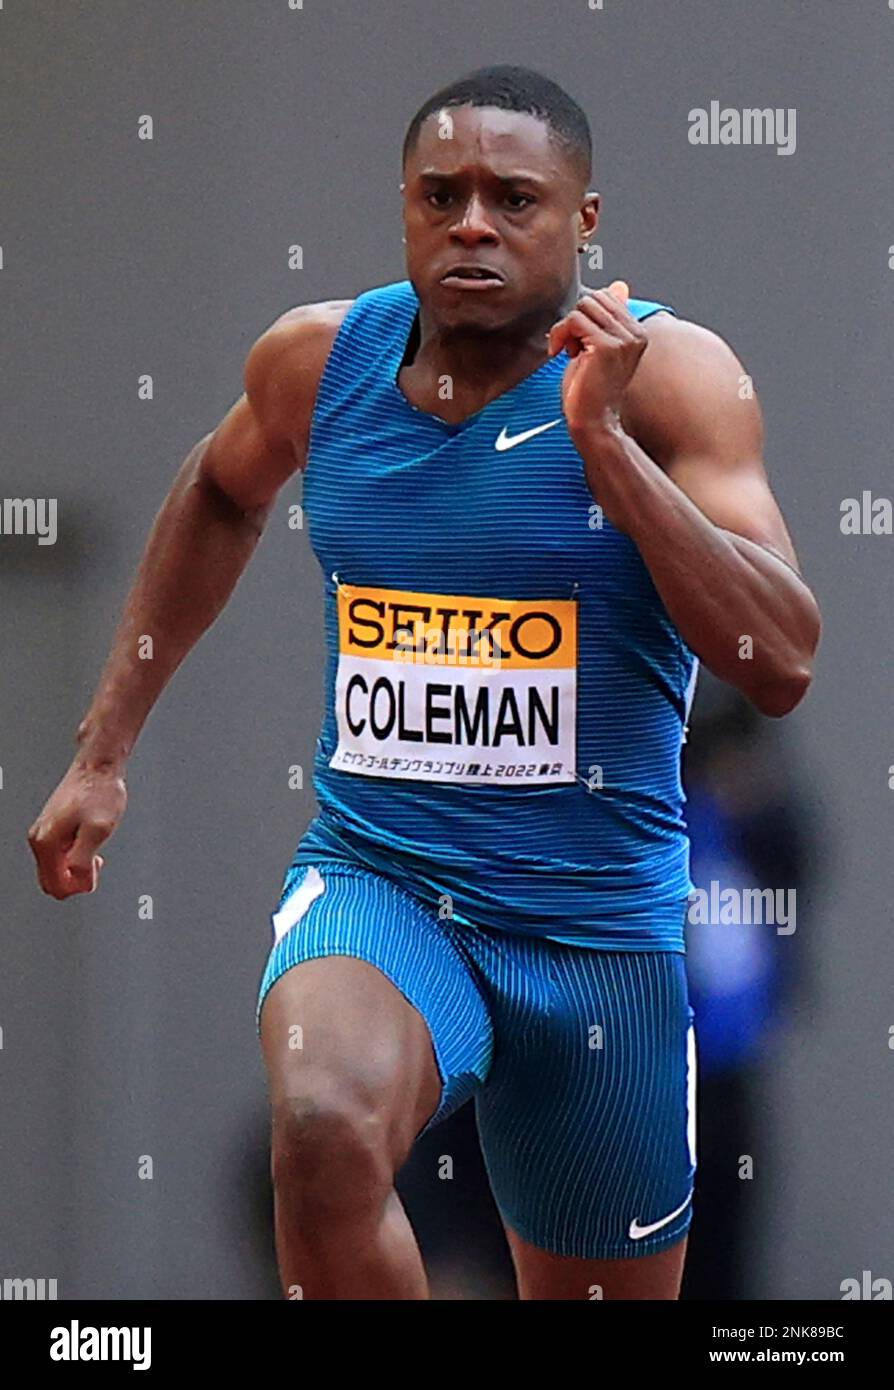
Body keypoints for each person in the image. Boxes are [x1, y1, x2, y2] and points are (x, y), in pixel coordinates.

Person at [27, 64, 821, 1300]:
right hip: (384, 880)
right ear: (402, 206)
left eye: (514, 198)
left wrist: (605, 447)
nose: (472, 225)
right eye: (440, 195)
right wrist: (103, 749)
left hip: (597, 934)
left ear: (586, 219)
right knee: (323, 1126)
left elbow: (782, 661)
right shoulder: (318, 361)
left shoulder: (672, 376)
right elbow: (221, 490)